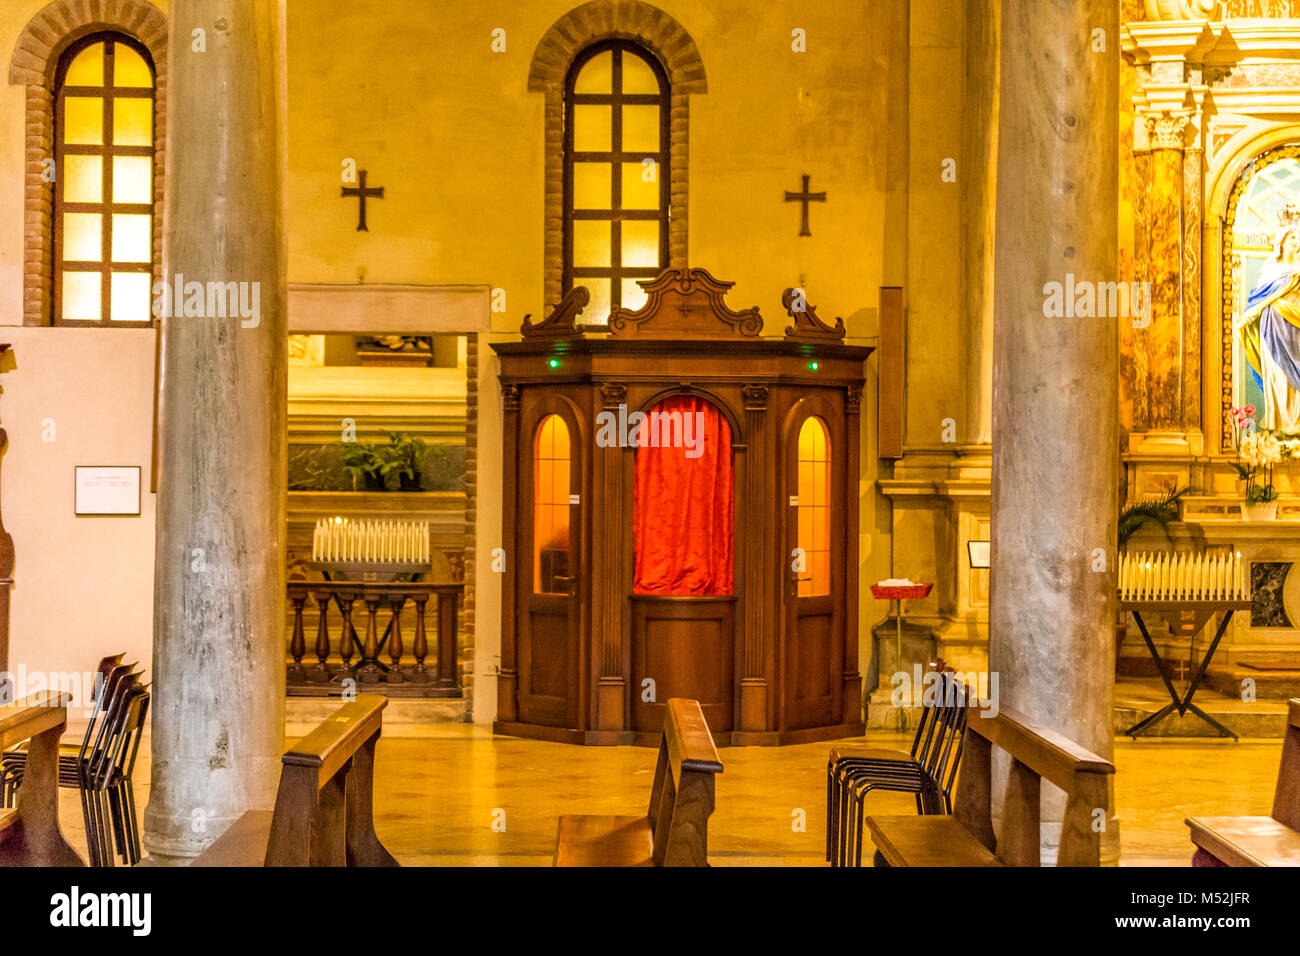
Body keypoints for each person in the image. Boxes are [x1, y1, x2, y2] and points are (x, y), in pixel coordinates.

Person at [1240, 225, 1300, 432]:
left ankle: (1296, 422)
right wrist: (1248, 317)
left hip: (1296, 331)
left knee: (1295, 376)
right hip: (1272, 330)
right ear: (1281, 242)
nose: (1297, 240)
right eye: (1293, 236)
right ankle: (1280, 422)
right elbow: (1259, 300)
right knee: (1278, 375)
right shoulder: (1270, 270)